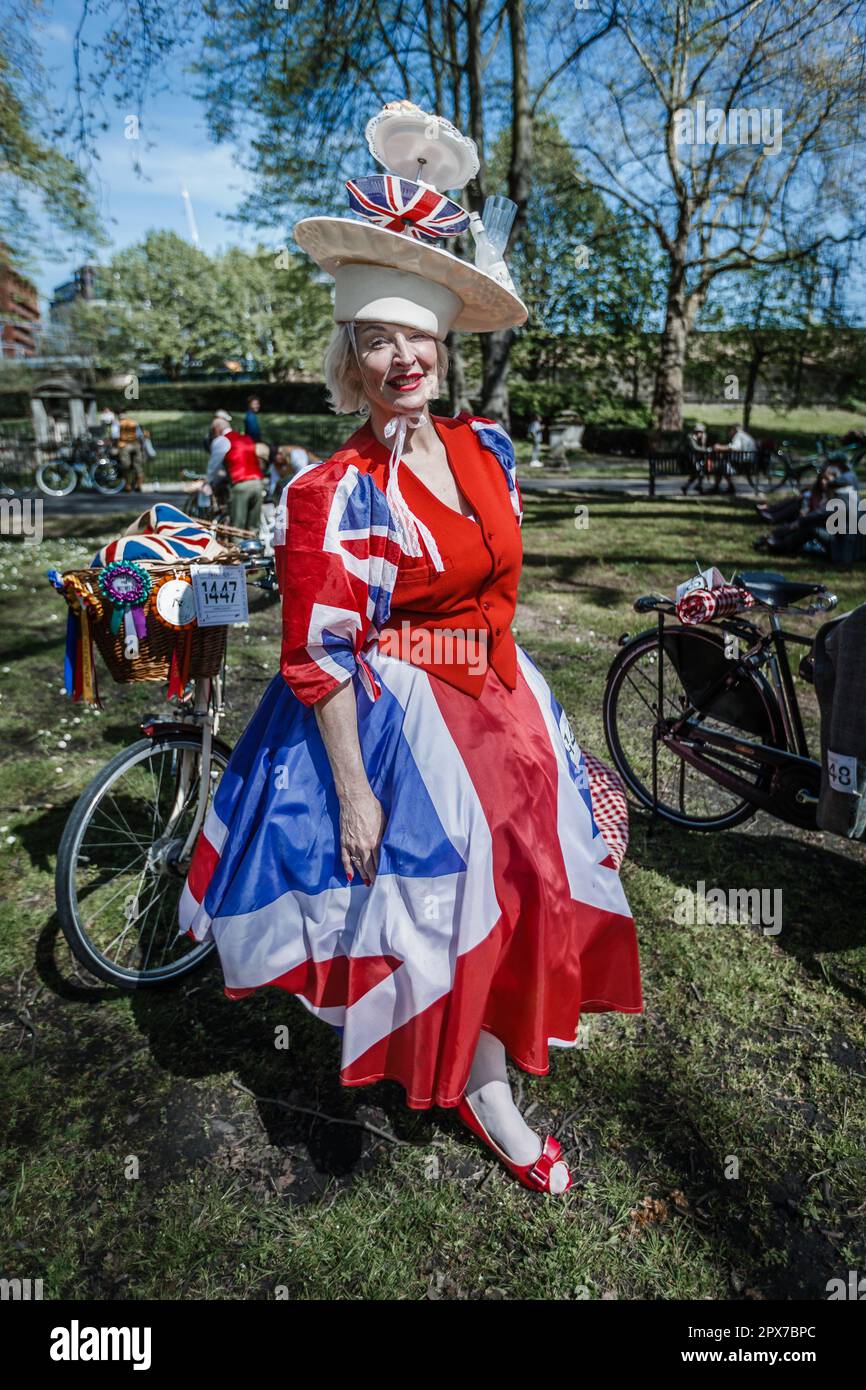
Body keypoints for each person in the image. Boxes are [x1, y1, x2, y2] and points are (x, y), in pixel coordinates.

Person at [178, 101, 642, 1197]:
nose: (400, 356)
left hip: (504, 696)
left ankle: (493, 1057)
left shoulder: (488, 446)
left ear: (444, 342)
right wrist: (351, 789)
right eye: (376, 337)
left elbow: (498, 583)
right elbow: (319, 649)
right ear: (350, 353)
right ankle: (482, 1082)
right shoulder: (329, 491)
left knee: (539, 876)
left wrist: (533, 721)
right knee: (467, 890)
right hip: (403, 716)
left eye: (416, 335)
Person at [206, 417, 264, 530]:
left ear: (217, 429)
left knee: (237, 528)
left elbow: (214, 468)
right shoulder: (246, 438)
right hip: (258, 483)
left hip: (241, 484)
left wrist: (209, 482)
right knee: (254, 527)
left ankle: (237, 547)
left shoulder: (222, 441)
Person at [711, 423, 757, 495]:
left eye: (730, 430)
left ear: (734, 429)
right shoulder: (745, 436)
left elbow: (735, 447)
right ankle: (722, 487)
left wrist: (720, 447)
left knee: (721, 465)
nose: (729, 432)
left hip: (743, 462)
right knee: (723, 464)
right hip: (748, 461)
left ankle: (723, 487)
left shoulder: (739, 435)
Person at [112, 409, 145, 492]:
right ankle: (139, 485)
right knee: (138, 466)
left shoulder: (117, 423)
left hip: (124, 445)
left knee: (126, 466)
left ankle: (128, 485)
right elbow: (140, 435)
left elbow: (115, 436)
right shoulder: (133, 422)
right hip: (135, 444)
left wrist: (115, 446)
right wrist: (141, 447)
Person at [681, 422, 712, 495]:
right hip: (686, 462)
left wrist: (703, 442)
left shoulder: (698, 439)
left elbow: (701, 449)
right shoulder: (690, 437)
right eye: (700, 432)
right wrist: (707, 449)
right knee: (700, 470)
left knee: (700, 470)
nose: (701, 434)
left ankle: (687, 486)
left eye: (702, 432)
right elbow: (695, 449)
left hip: (693, 462)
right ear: (696, 431)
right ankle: (698, 486)